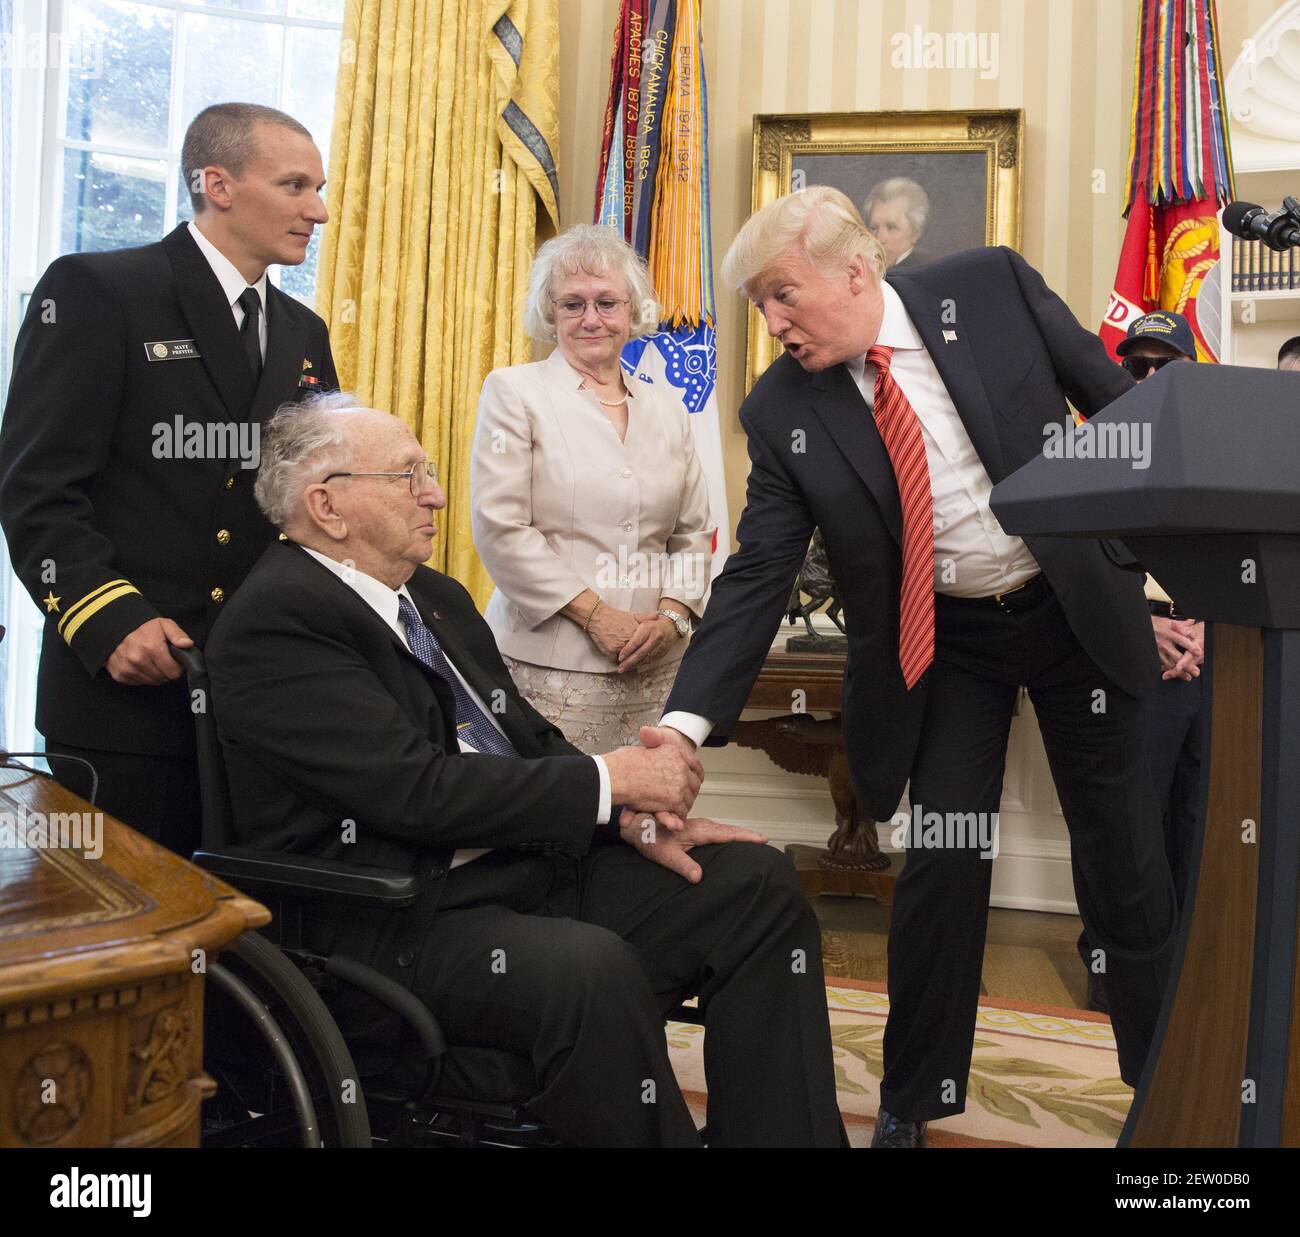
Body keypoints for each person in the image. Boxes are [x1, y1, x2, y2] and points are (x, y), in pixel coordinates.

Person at [649, 185, 1175, 1147]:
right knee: (945, 859)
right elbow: (761, 569)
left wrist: (1169, 586)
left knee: (1124, 855)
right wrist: (683, 723)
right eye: (757, 306)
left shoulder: (991, 287)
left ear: (856, 271)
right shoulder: (781, 410)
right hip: (951, 645)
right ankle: (914, 1096)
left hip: (1068, 612)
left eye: (781, 295)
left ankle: (1160, 1079)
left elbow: (1120, 416)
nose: (771, 325)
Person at [204, 393, 844, 1148]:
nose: (436, 493)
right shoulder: (278, 622)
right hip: (397, 916)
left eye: (428, 472)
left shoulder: (432, 596)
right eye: (409, 476)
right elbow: (416, 791)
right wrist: (614, 782)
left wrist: (633, 819)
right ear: (328, 506)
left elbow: (530, 740)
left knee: (751, 884)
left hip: (522, 868)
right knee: (590, 970)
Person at [0, 102, 336, 854]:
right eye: (293, 186)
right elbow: (35, 488)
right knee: (119, 939)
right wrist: (109, 618)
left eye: (317, 187)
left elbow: (311, 497)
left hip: (253, 693)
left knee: (235, 938)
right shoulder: (99, 289)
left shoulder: (301, 331)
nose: (318, 209)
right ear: (217, 184)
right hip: (125, 697)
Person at [471, 224, 712, 752]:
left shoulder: (667, 408)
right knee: (554, 815)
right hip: (546, 661)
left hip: (656, 661)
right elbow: (500, 527)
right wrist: (597, 616)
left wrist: (673, 617)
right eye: (572, 304)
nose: (591, 319)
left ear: (632, 311)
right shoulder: (515, 392)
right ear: (548, 312)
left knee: (642, 814)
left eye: (607, 302)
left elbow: (695, 533)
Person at [1071, 311, 1205, 1013]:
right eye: (1135, 366)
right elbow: (1075, 563)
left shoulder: (1212, 449)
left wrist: (1207, 628)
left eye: (1163, 364)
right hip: (1127, 660)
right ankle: (1110, 972)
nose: (1147, 377)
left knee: (1196, 820)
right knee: (1124, 826)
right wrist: (1144, 629)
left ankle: (1177, 973)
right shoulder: (1092, 455)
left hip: (1205, 660)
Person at [863, 177, 937, 270]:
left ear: (915, 233)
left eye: (890, 228)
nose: (879, 239)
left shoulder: (928, 270)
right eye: (873, 228)